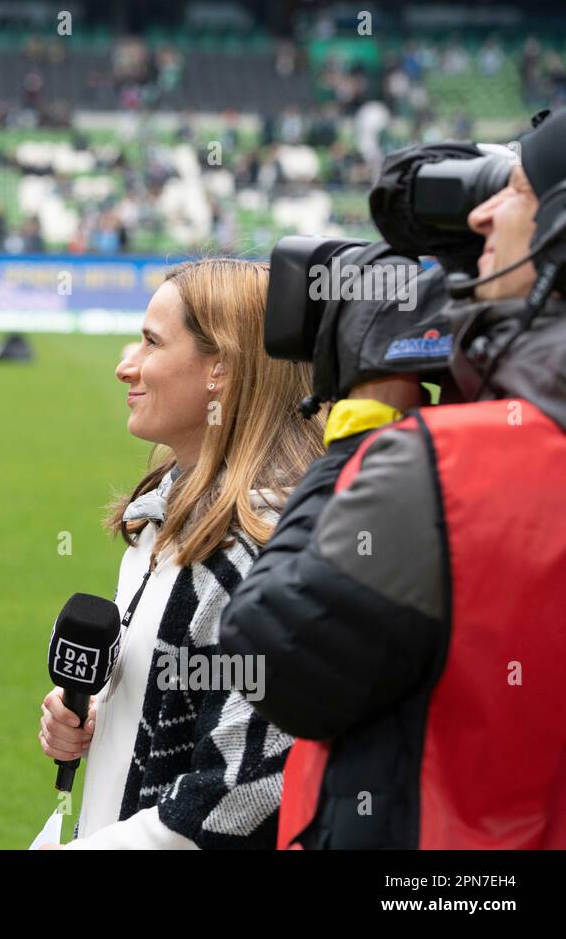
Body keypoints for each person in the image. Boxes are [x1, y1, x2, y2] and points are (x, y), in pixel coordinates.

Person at [218, 110, 566, 849]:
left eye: (518, 192)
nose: (482, 213)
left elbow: (279, 656)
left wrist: (369, 425)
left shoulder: (453, 471)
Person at [38, 258, 325, 848]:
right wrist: (98, 709)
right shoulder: (162, 516)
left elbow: (241, 790)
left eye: (150, 342)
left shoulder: (257, 551)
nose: (125, 367)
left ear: (220, 367)